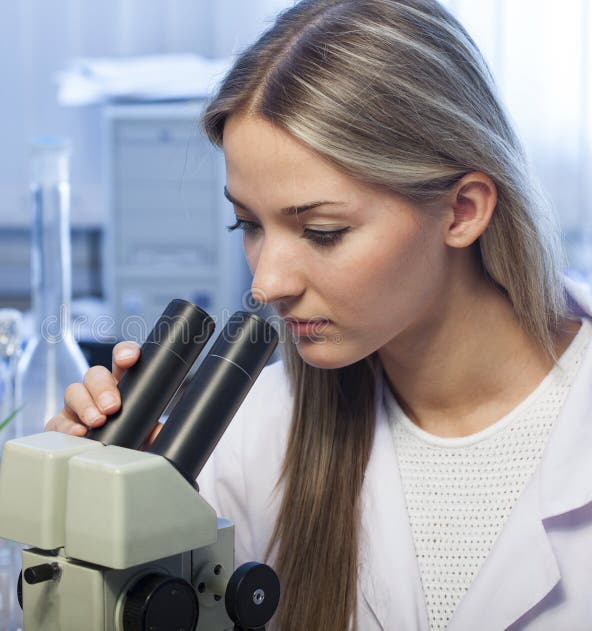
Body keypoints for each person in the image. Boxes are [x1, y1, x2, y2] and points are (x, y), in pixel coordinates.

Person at [46, 0, 592, 628]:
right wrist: (104, 537)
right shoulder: (251, 434)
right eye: (247, 224)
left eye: (324, 232)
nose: (265, 284)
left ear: (463, 211)